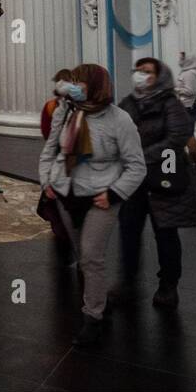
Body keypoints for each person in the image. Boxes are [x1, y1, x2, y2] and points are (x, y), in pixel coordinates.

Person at [38, 63, 145, 346]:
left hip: (101, 197)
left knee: (90, 256)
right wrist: (47, 182)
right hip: (66, 194)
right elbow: (51, 149)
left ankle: (93, 317)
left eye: (79, 81)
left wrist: (115, 193)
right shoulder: (66, 111)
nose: (73, 85)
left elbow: (136, 166)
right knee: (82, 257)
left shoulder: (118, 120)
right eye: (72, 80)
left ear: (96, 85)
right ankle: (99, 300)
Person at [115, 57, 196, 310]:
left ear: (159, 76)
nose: (140, 75)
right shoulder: (128, 103)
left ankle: (168, 286)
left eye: (147, 72)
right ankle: (128, 282)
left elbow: (176, 138)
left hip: (163, 178)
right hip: (133, 181)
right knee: (128, 232)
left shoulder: (170, 103)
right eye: (138, 70)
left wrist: (139, 157)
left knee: (165, 234)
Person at [37, 69, 76, 257]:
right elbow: (48, 133)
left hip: (74, 169)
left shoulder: (79, 108)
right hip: (57, 163)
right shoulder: (53, 106)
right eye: (59, 80)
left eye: (65, 80)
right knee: (56, 209)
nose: (61, 83)